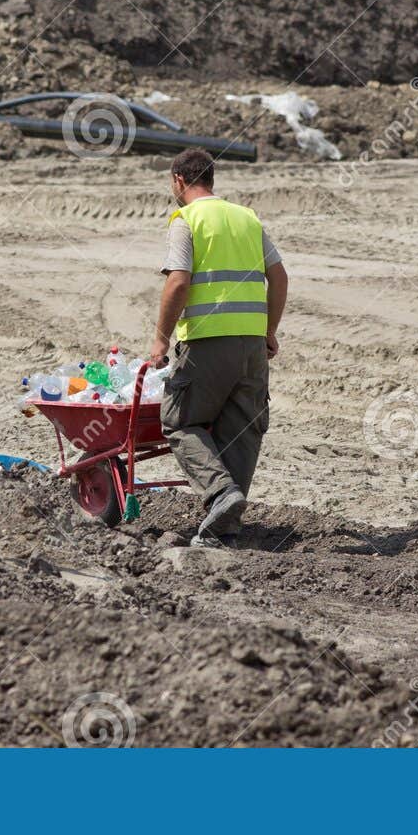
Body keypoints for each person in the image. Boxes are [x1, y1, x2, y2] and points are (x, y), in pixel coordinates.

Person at [148, 148, 288, 548]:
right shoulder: (247, 217)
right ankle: (224, 529)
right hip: (252, 346)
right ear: (212, 179)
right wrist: (269, 330)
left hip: (208, 343)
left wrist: (160, 337)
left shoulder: (186, 219)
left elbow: (177, 282)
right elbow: (279, 277)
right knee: (241, 430)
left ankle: (220, 493)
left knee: (180, 422)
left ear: (178, 180)